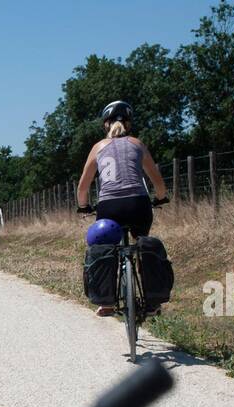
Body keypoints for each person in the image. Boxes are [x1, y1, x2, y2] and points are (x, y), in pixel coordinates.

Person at [75, 101, 168, 315]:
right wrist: (161, 198)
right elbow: (158, 181)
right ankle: (152, 302)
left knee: (108, 249)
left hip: (109, 207)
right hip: (138, 204)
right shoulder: (137, 143)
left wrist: (84, 206)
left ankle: (106, 301)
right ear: (128, 124)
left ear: (105, 125)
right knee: (142, 245)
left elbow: (83, 186)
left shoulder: (98, 147)